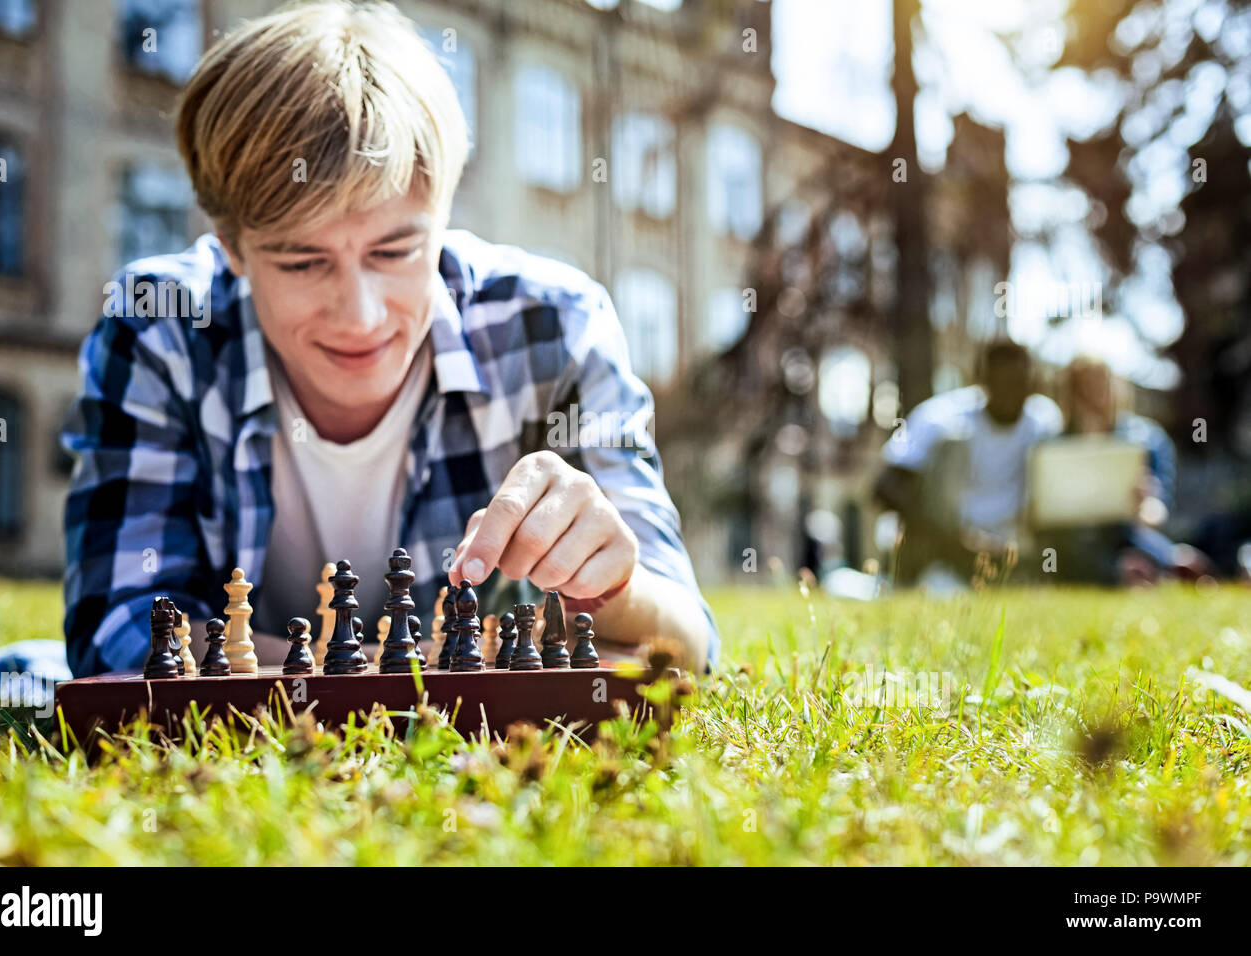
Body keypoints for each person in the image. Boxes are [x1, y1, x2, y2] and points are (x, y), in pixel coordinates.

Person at [61, 0, 716, 677]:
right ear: (230, 245)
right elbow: (116, 628)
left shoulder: (558, 326)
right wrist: (403, 672)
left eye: (395, 251)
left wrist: (614, 587)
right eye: (302, 261)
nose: (360, 315)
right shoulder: (158, 330)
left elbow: (688, 641)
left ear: (444, 216)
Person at [873, 340, 1063, 583]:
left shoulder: (1044, 422)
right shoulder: (941, 417)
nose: (1010, 395)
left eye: (1018, 385)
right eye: (1001, 383)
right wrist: (956, 539)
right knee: (954, 441)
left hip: (1014, 548)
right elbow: (885, 488)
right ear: (982, 380)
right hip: (946, 546)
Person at [1039, 355, 1207, 584]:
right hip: (1076, 541)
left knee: (1158, 550)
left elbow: (1157, 513)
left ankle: (1167, 565)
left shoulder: (1146, 439)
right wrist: (1089, 443)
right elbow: (1045, 518)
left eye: (1101, 387)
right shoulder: (1053, 447)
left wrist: (1144, 504)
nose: (1095, 399)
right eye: (1084, 390)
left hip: (1129, 533)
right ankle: (1127, 571)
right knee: (1072, 546)